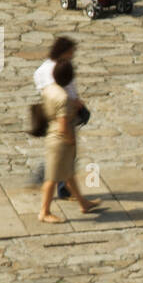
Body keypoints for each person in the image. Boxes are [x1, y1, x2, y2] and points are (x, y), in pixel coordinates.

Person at [39, 57, 101, 223]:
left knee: (69, 174)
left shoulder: (49, 88)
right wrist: (71, 140)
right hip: (60, 142)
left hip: (51, 134)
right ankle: (44, 212)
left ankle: (83, 203)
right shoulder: (63, 98)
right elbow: (63, 126)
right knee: (51, 179)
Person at [33, 37, 86, 199]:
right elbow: (62, 94)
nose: (72, 55)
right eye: (71, 51)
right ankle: (55, 191)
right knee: (62, 156)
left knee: (61, 157)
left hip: (62, 113)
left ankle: (72, 193)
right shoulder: (53, 72)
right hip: (62, 116)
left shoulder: (48, 69)